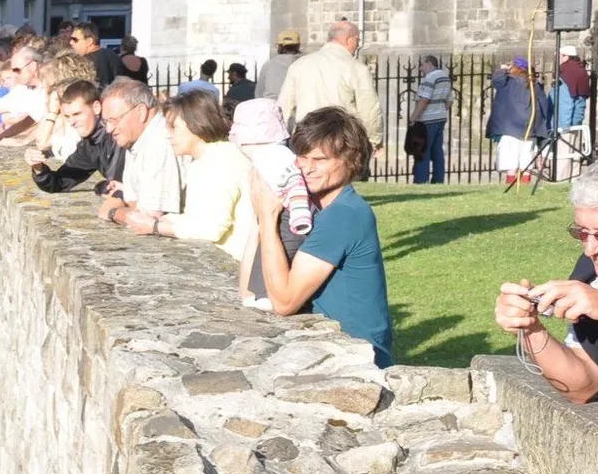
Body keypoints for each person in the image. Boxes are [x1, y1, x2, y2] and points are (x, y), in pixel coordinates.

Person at [494, 154, 598, 406]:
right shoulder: (595, 273)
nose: (591, 249)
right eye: (582, 233)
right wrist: (529, 327)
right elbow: (583, 387)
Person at [250, 106, 394, 367]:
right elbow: (248, 292)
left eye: (320, 159)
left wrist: (268, 218)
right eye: (302, 158)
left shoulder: (344, 214)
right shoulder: (310, 210)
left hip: (359, 358)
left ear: (351, 160)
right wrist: (261, 213)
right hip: (336, 347)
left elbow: (283, 302)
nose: (307, 168)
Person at [121, 90, 259, 267]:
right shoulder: (210, 157)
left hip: (237, 264)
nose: (168, 134)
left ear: (195, 125)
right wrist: (166, 219)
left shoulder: (219, 161)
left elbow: (211, 229)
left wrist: (154, 226)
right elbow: (198, 217)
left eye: (174, 127)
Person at [230, 98, 314, 306]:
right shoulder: (264, 159)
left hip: (288, 220)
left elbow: (295, 185)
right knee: (266, 250)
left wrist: (299, 214)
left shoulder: (274, 157)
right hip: (279, 217)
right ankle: (259, 294)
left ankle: (267, 296)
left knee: (278, 252)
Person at [278, 20, 383, 154]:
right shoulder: (357, 68)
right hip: (342, 141)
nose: (358, 45)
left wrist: (279, 141)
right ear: (349, 40)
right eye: (357, 40)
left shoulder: (299, 65)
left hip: (306, 139)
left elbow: (284, 107)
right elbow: (369, 109)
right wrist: (373, 140)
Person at [96, 78, 183, 222]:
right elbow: (133, 201)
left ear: (141, 112)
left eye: (114, 120)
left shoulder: (159, 140)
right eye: (106, 122)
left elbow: (148, 218)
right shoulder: (136, 139)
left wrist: (113, 212)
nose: (109, 129)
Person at [24, 80, 118, 192]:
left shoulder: (119, 135)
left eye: (77, 114)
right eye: (67, 116)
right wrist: (39, 169)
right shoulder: (88, 146)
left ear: (96, 108)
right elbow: (60, 182)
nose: (72, 122)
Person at [487, 57, 551, 185]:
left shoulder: (508, 82)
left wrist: (503, 69)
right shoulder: (534, 85)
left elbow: (496, 79)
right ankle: (525, 181)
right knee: (526, 156)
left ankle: (511, 181)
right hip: (529, 127)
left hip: (510, 127)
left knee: (510, 158)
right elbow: (544, 106)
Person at [410, 55, 452, 185]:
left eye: (422, 65)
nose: (420, 68)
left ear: (429, 64)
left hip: (427, 120)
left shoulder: (430, 78)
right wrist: (440, 111)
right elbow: (450, 100)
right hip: (440, 118)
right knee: (437, 151)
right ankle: (438, 180)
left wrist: (413, 118)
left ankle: (421, 180)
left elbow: (424, 100)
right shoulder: (445, 77)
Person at [68, 21, 122, 87]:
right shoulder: (113, 55)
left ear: (89, 41)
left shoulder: (84, 62)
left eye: (75, 39)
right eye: (71, 39)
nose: (71, 42)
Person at [257, 30, 301, 99]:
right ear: (298, 46)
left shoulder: (268, 65)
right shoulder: (306, 64)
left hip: (272, 103)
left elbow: (259, 93)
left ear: (278, 46)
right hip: (299, 103)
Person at [557, 45, 591, 133]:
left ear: (566, 56)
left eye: (560, 56)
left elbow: (565, 102)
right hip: (575, 122)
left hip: (563, 125)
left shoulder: (565, 71)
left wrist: (564, 127)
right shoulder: (581, 70)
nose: (558, 59)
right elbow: (581, 102)